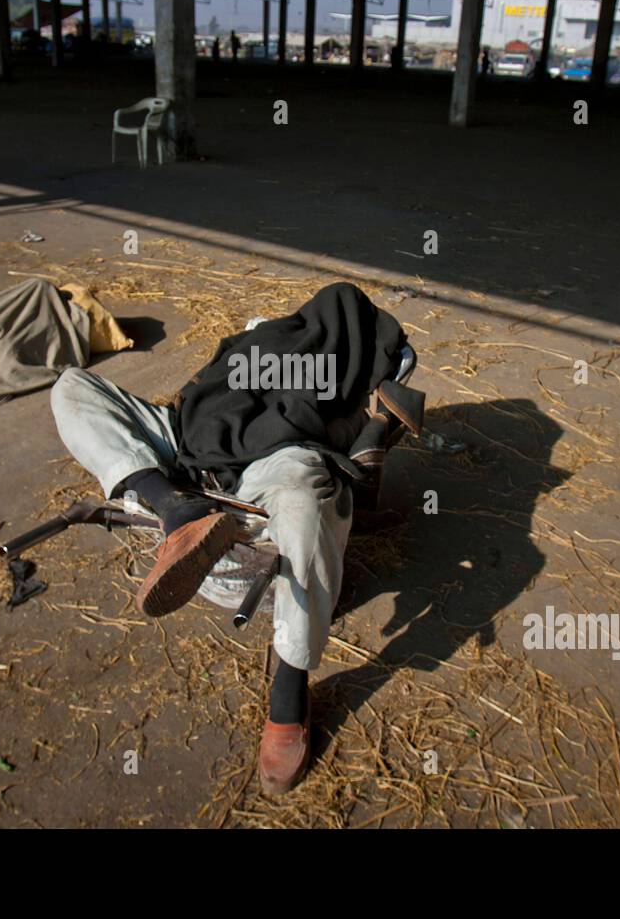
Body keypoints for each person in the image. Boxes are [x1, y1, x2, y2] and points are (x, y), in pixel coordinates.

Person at [48, 283, 420, 794]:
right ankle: (173, 506)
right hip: (187, 440)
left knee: (304, 503)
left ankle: (289, 693)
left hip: (276, 455)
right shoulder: (257, 339)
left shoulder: (352, 363)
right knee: (71, 386)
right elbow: (204, 389)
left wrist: (356, 429)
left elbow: (347, 428)